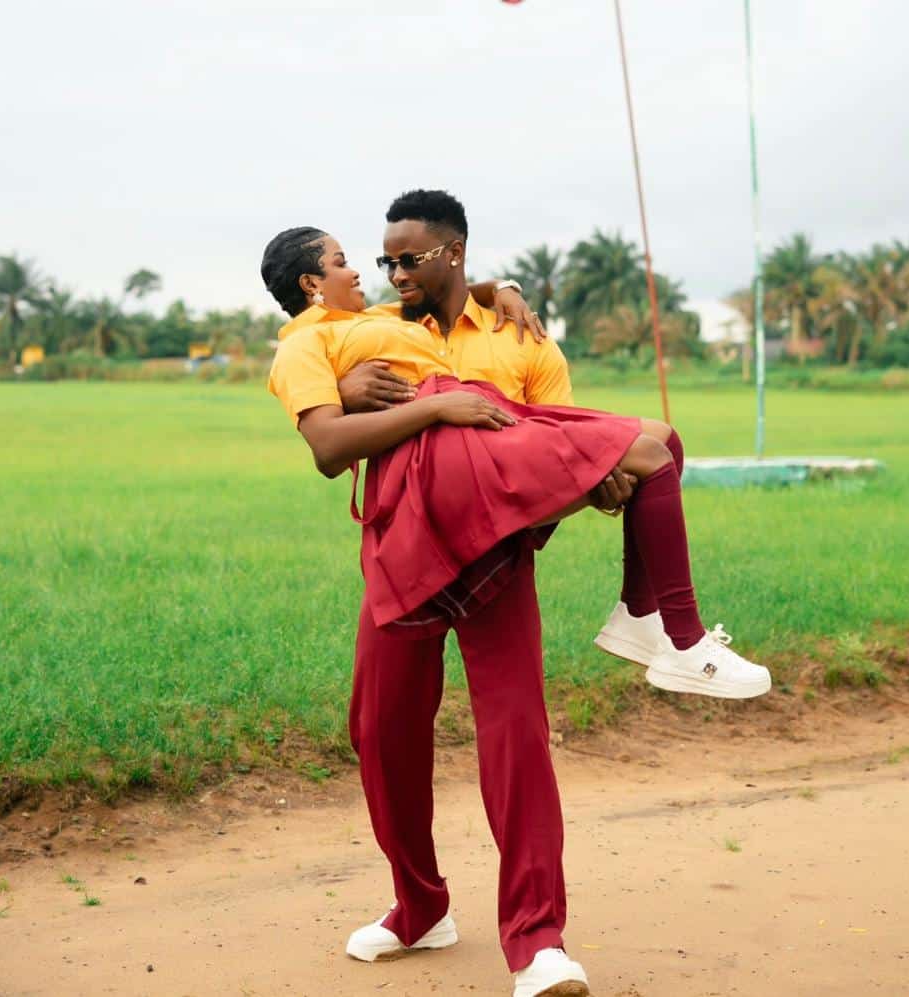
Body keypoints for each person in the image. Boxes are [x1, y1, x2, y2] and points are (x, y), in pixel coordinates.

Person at [262, 195, 770, 997]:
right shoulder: (371, 332)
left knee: (517, 740)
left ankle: (538, 942)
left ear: (453, 255)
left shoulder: (517, 332)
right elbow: (327, 432)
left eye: (407, 261)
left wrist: (596, 481)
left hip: (500, 549)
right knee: (381, 733)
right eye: (377, 260)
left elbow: (557, 440)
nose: (387, 272)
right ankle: (419, 906)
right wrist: (366, 387)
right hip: (403, 546)